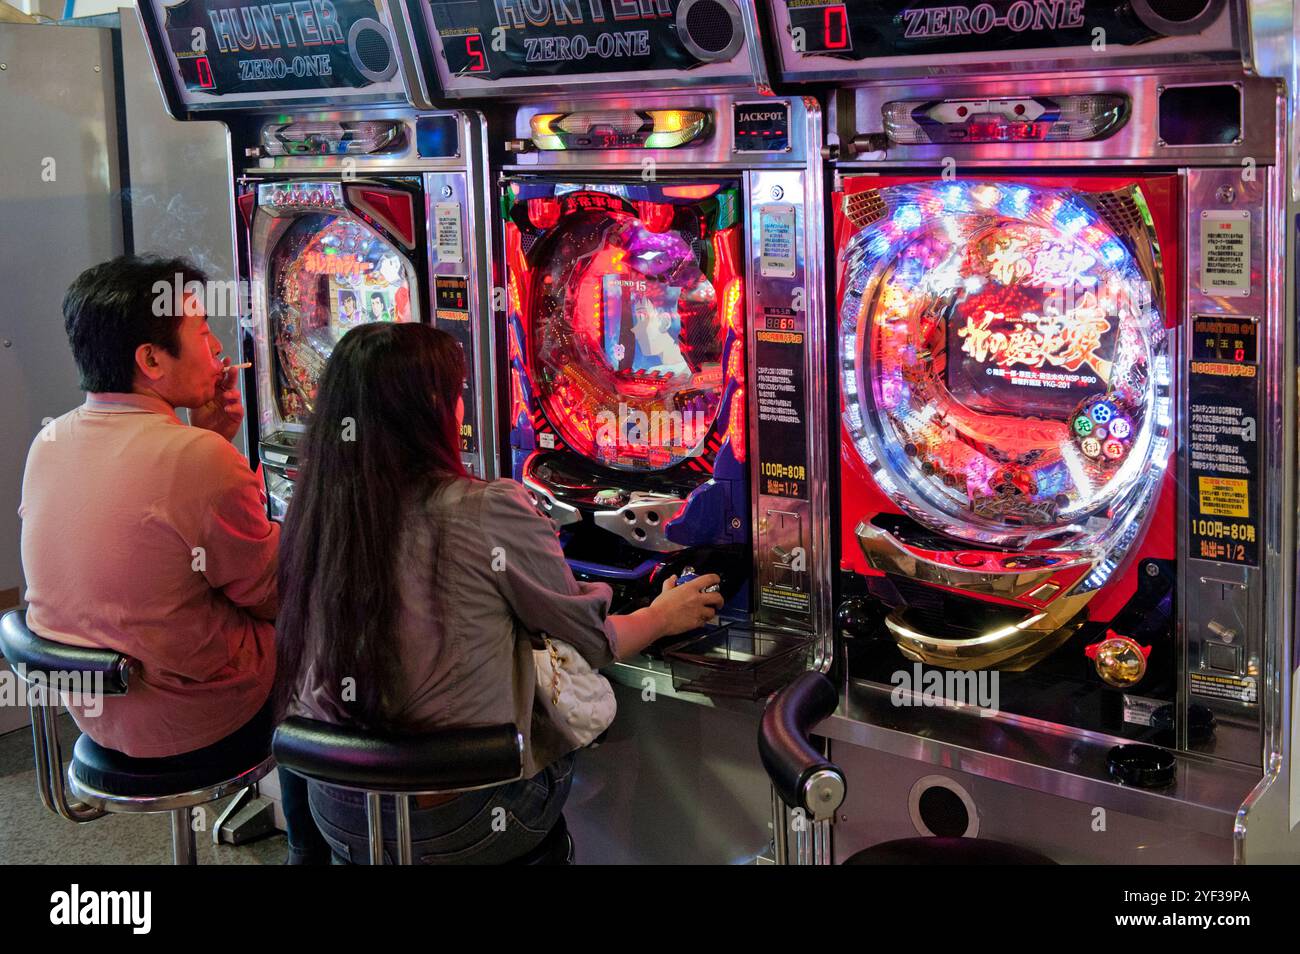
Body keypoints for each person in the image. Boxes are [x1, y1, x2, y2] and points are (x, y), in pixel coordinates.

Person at [274, 322, 722, 864]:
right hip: (463, 821)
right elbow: (590, 641)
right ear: (430, 407)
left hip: (340, 813)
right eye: (456, 394)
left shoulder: (316, 510)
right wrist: (663, 614)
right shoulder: (489, 507)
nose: (463, 409)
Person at [18, 255, 328, 863]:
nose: (218, 347)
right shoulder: (195, 460)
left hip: (95, 711)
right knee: (323, 624)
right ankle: (318, 846)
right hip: (191, 722)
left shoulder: (49, 440)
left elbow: (153, 545)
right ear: (151, 359)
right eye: (200, 330)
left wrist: (209, 442)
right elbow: (277, 594)